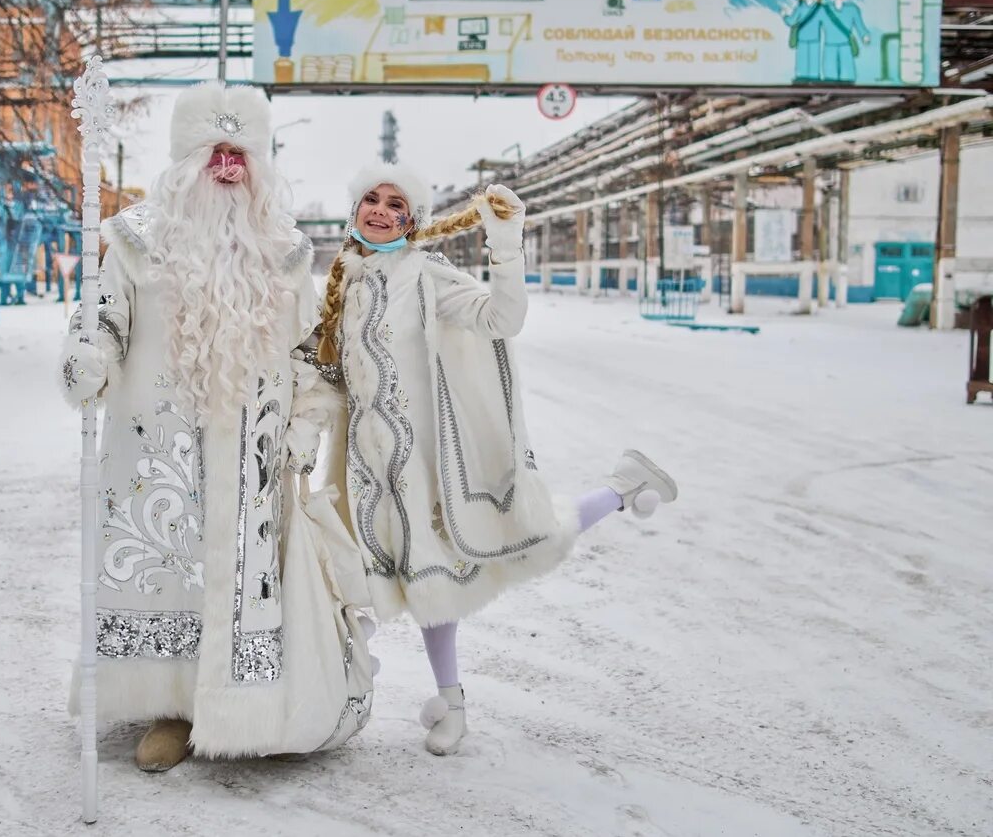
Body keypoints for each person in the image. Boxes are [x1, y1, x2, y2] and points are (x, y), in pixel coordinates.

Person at [312, 162, 679, 756]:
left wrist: (506, 244)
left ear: (412, 221)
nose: (380, 210)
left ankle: (621, 487)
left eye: (395, 204)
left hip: (436, 464)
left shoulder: (426, 274)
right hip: (371, 471)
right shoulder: (345, 281)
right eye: (371, 199)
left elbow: (502, 319)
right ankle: (388, 686)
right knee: (397, 579)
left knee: (524, 539)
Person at [57, 80, 337, 771]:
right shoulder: (132, 240)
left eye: (240, 155)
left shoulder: (287, 250)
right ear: (185, 161)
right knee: (170, 574)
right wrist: (88, 356)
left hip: (253, 455)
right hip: (159, 452)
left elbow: (310, 350)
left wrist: (304, 426)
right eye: (214, 153)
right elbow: (103, 318)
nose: (227, 168)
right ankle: (172, 707)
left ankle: (247, 707)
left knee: (248, 580)